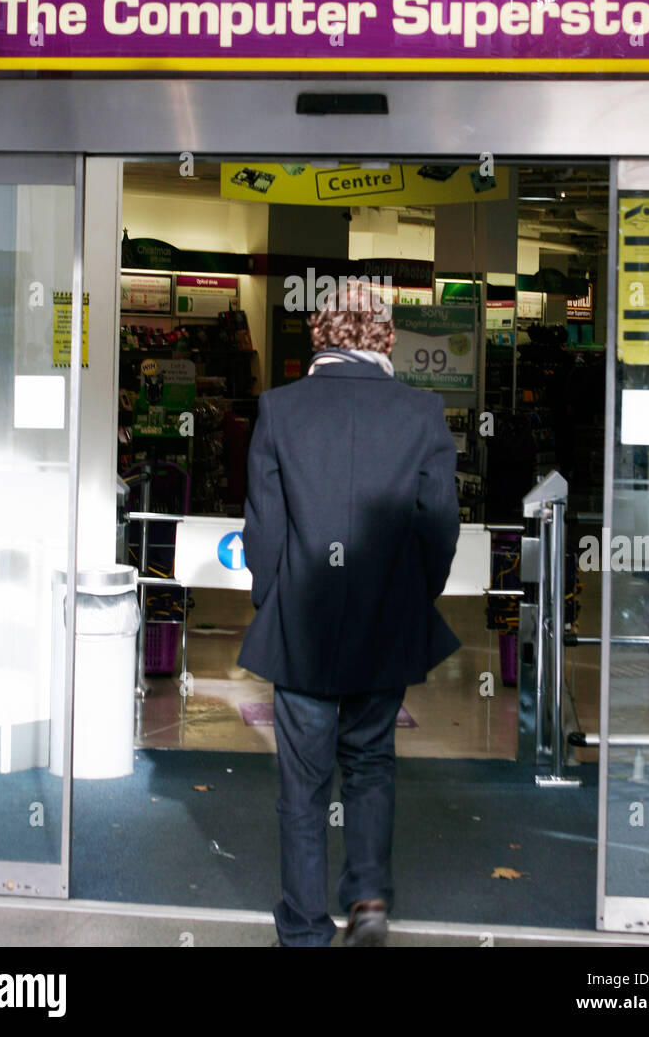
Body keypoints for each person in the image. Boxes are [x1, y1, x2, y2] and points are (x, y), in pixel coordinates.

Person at [237, 280, 461, 947]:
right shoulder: (422, 413)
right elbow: (439, 527)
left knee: (302, 781)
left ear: (319, 333)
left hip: (301, 626)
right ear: (386, 338)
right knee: (370, 762)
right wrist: (414, 596)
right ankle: (367, 898)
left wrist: (270, 601)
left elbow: (263, 533)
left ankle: (305, 926)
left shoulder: (278, 411)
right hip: (384, 622)